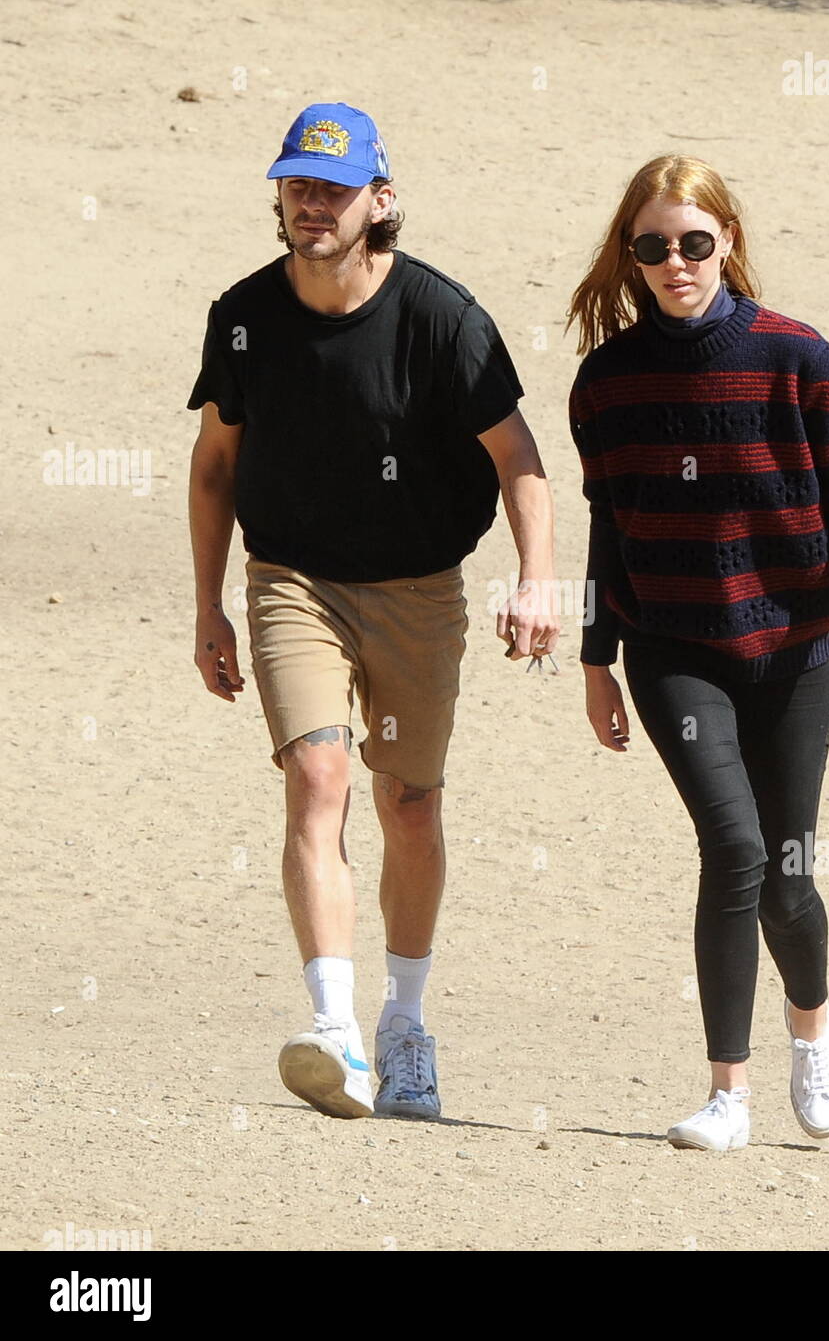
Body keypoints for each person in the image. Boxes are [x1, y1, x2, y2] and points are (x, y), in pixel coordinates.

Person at [187, 102, 559, 1122]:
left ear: (378, 201)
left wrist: (536, 578)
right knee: (316, 776)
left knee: (408, 803)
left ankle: (403, 1020)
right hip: (289, 580)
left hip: (415, 591)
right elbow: (217, 462)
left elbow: (519, 459)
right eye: (297, 186)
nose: (311, 204)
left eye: (333, 188)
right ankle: (334, 1030)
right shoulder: (245, 315)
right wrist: (208, 606)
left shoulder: (442, 319)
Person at [566, 155, 829, 1151]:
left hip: (790, 647)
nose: (675, 262)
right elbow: (604, 523)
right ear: (631, 256)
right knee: (734, 849)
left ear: (727, 241)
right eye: (652, 246)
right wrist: (593, 659)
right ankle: (726, 1095)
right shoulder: (607, 381)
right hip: (670, 650)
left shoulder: (798, 358)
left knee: (787, 872)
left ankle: (812, 1034)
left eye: (693, 242)